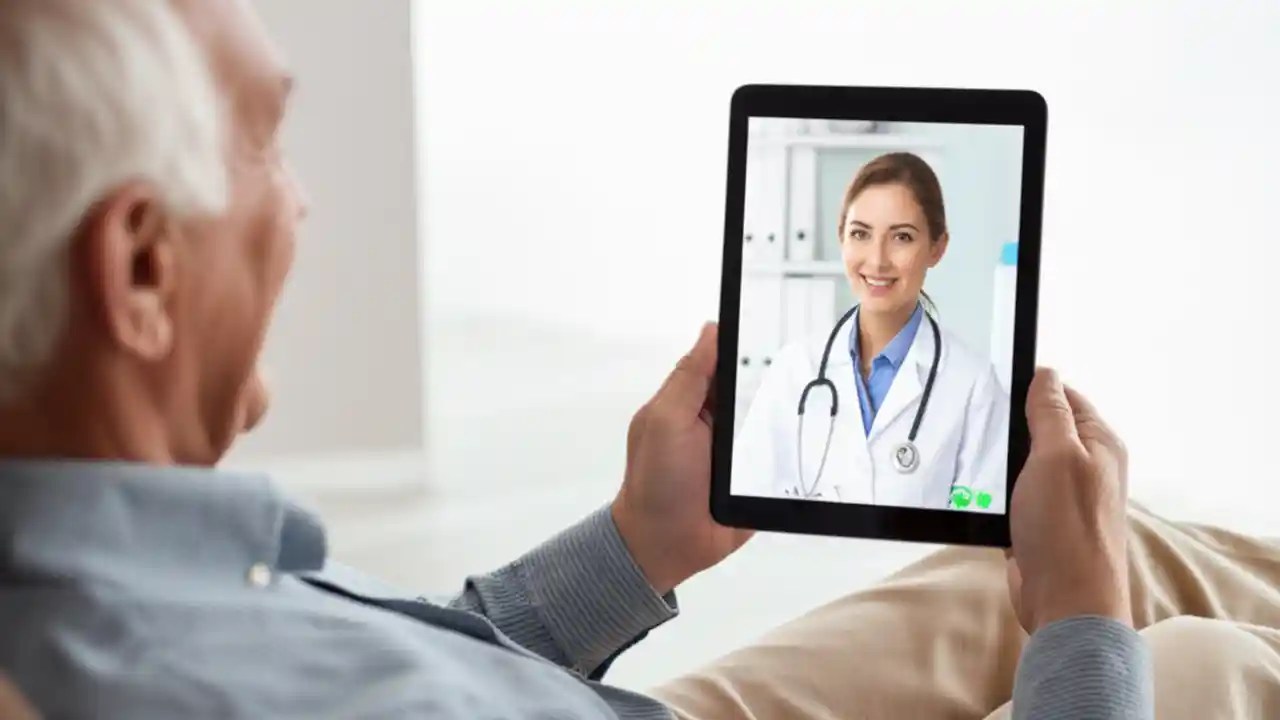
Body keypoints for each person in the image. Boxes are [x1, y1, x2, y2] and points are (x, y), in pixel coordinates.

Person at [0, 1, 1277, 719]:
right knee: (1187, 664)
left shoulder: (136, 581)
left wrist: (635, 541)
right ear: (144, 271)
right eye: (266, 148)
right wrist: (1082, 629)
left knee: (1051, 561)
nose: (301, 205)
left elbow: (437, 670)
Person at [732, 152, 1009, 511]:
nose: (877, 260)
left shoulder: (974, 385)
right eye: (860, 233)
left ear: (937, 248)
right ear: (841, 238)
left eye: (902, 237)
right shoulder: (794, 369)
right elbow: (747, 513)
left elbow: (979, 530)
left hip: (920, 571)